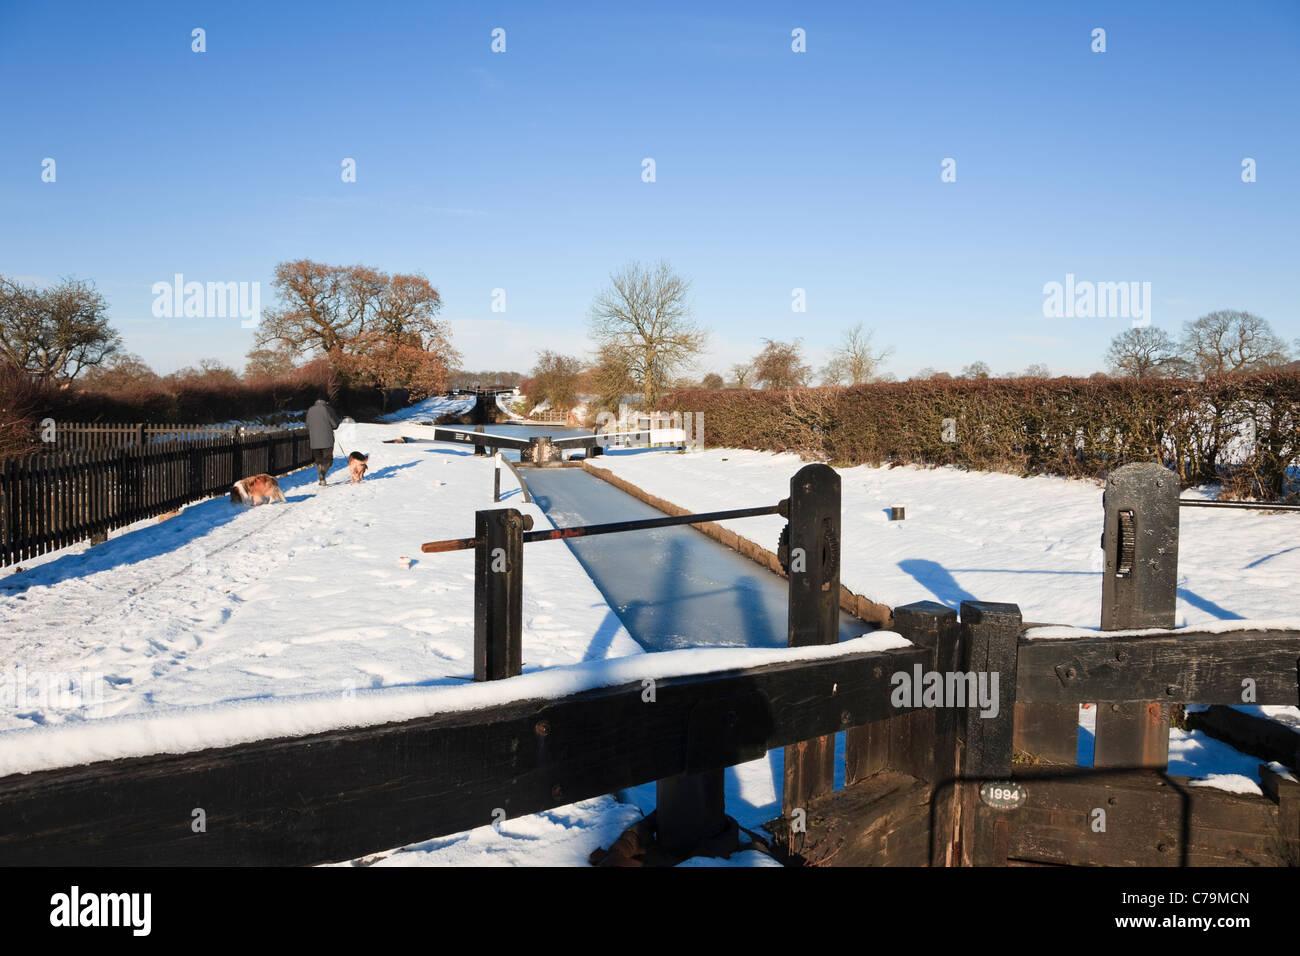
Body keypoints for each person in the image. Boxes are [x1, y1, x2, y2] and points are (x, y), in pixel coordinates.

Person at [305, 398, 339, 486]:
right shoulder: (327, 409)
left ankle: (322, 480)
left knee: (319, 460)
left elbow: (307, 424)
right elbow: (335, 425)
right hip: (327, 440)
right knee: (328, 459)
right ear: (325, 402)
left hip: (314, 440)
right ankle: (323, 473)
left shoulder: (310, 410)